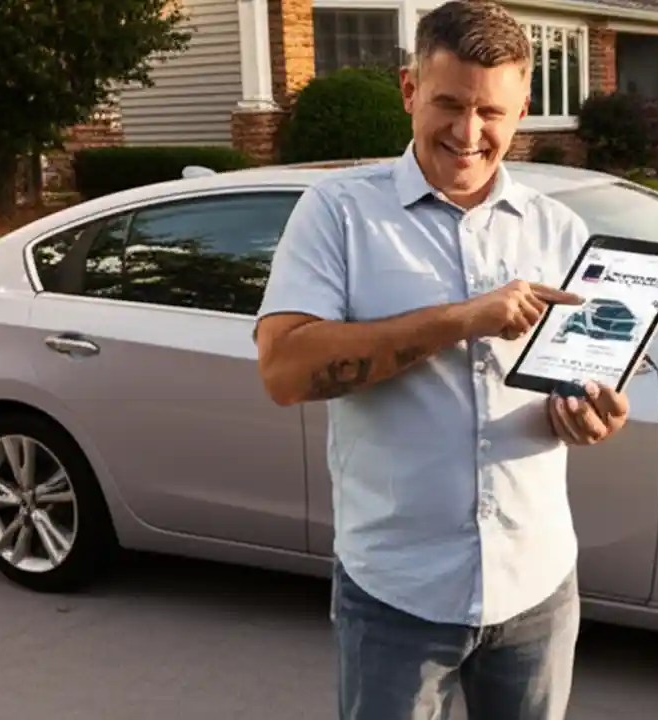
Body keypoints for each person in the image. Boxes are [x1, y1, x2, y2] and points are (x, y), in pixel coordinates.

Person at [252, 1, 632, 718]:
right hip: (398, 593)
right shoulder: (338, 213)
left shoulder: (560, 230)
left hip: (536, 585)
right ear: (408, 91)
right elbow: (284, 370)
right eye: (448, 104)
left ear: (523, 105)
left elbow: (584, 381)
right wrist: (462, 319)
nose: (468, 133)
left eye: (493, 111)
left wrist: (591, 416)